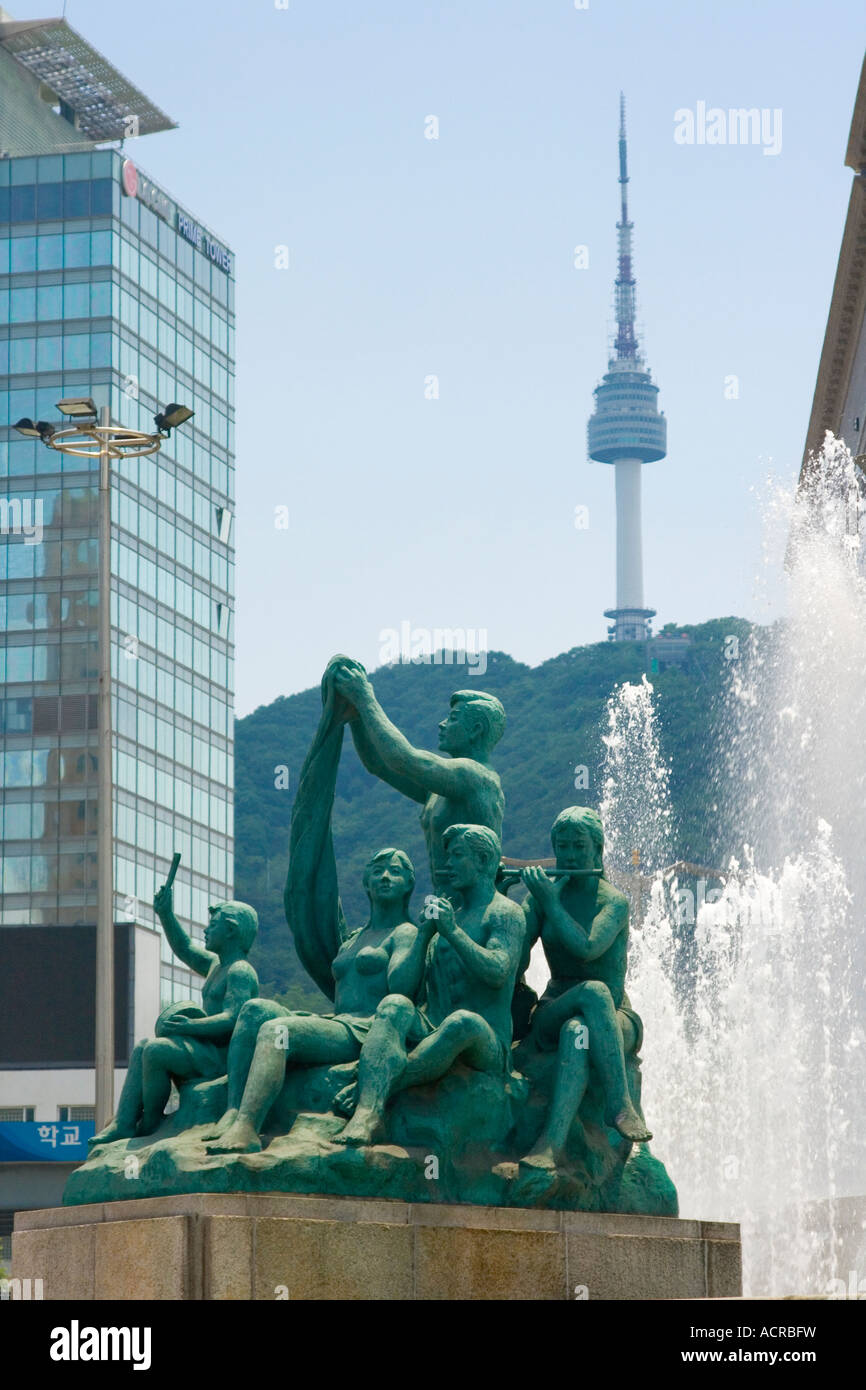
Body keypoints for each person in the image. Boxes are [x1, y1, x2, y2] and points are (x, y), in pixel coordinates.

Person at [206, 671, 422, 1154]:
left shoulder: (407, 933)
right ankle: (228, 1110)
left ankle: (248, 1126)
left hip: (366, 1031)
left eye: (397, 870)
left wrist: (429, 934)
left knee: (278, 1029)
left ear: (410, 884)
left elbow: (405, 991)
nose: (386, 876)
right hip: (337, 1022)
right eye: (378, 869)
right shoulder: (352, 936)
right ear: (365, 881)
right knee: (258, 1009)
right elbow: (314, 891)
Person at [335, 823, 525, 1147]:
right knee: (393, 1005)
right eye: (448, 856)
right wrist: (424, 934)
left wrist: (451, 932)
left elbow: (498, 971)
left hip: (485, 1039)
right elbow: (406, 989)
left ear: (482, 860)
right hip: (433, 1024)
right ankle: (367, 1114)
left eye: (457, 856)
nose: (448, 864)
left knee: (462, 1022)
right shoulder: (451, 913)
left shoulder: (505, 913)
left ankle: (381, 1086)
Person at [518, 806, 651, 1173]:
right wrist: (502, 901)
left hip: (613, 1016)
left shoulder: (614, 901)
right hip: (555, 1006)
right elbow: (513, 959)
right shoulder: (543, 897)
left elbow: (587, 947)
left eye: (579, 846)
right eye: (563, 847)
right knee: (589, 996)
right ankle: (618, 1103)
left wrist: (550, 904)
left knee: (581, 1028)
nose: (571, 856)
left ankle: (551, 1143)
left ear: (597, 849)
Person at [89, 891, 259, 1146]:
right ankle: (124, 1123)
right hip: (205, 1047)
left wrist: (190, 1026)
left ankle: (152, 1122)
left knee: (157, 1051)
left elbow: (233, 1018)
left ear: (232, 931)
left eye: (213, 926)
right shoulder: (216, 965)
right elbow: (185, 948)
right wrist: (166, 914)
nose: (205, 931)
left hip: (221, 1056)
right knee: (142, 1048)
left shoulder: (240, 971)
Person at [327, 655, 505, 884]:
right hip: (447, 901)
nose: (442, 724)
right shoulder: (443, 786)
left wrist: (365, 698)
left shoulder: (473, 776)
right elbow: (379, 765)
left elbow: (404, 759)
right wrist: (355, 717)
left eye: (453, 718)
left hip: (469, 907)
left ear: (476, 730)